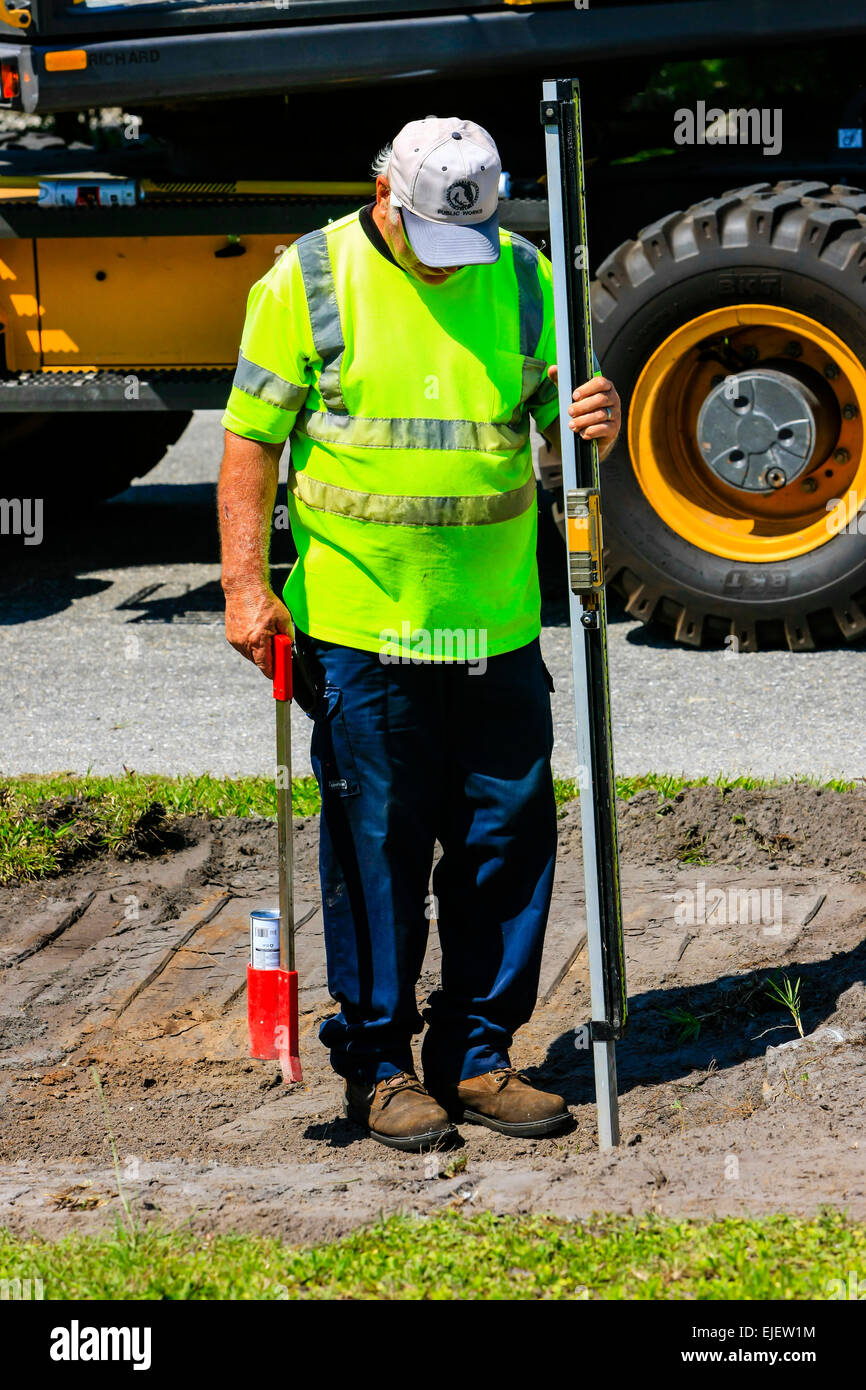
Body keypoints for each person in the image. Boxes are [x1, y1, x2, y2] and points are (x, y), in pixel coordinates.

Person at [218, 116, 622, 1151]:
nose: (452, 266)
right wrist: (244, 586)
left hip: (492, 627)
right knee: (378, 851)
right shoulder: (306, 281)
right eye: (431, 240)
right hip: (358, 629)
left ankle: (477, 1054)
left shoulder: (523, 278)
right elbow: (251, 441)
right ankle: (381, 1063)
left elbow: (556, 427)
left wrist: (592, 423)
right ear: (387, 199)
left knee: (502, 844)